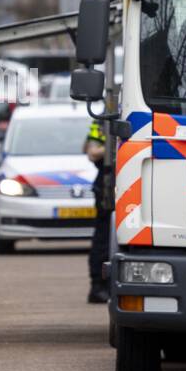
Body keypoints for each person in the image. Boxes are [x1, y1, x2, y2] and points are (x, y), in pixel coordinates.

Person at [85, 118, 111, 303]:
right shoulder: (102, 120)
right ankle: (98, 286)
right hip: (106, 185)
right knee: (102, 238)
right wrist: (113, 145)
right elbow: (92, 152)